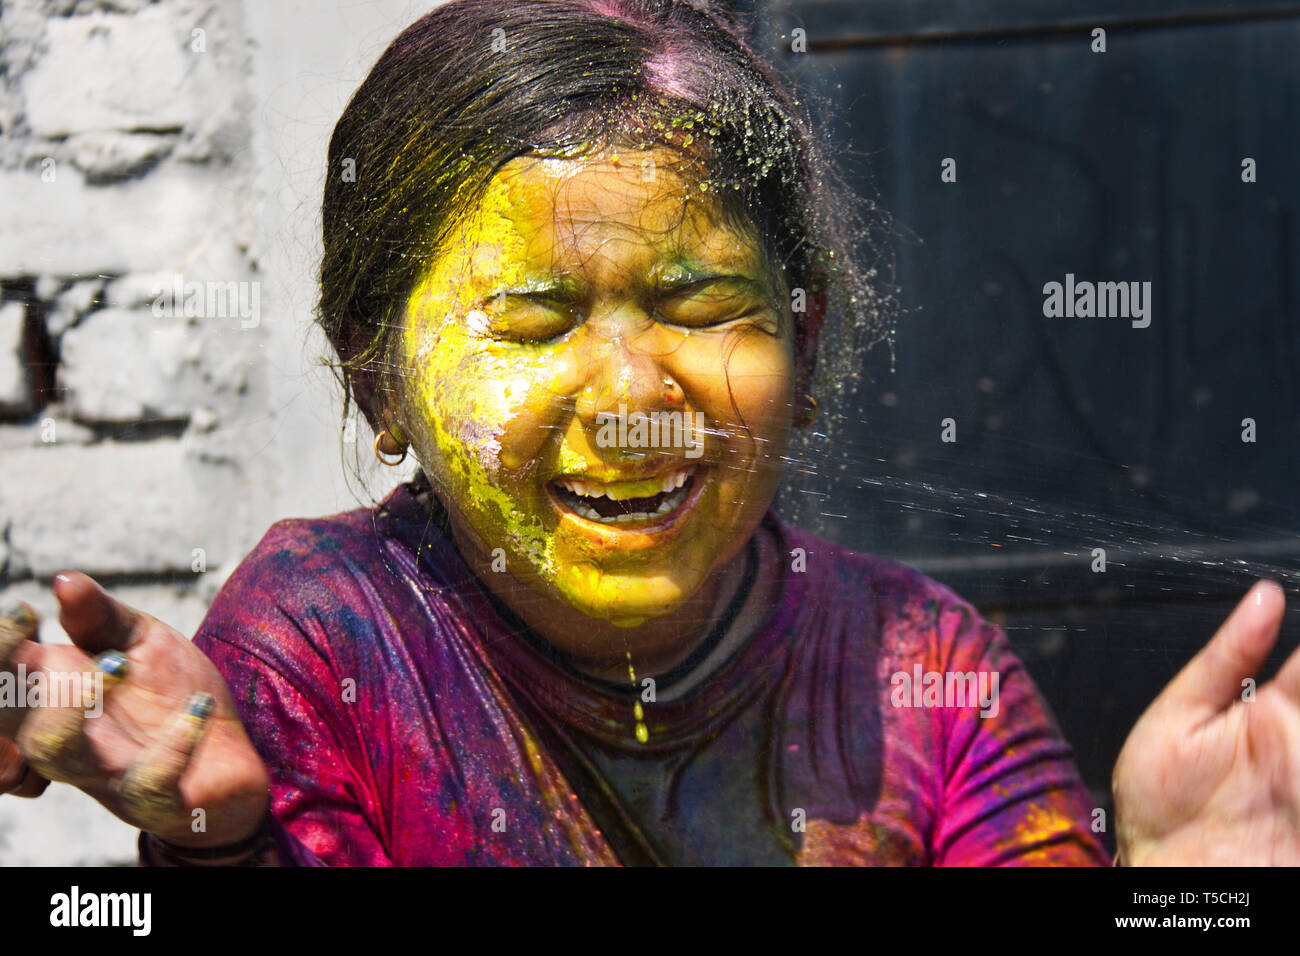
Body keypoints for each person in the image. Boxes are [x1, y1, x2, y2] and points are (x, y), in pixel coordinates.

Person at [2, 0, 1298, 866]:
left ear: (800, 346)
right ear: (380, 380)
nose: (630, 396)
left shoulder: (925, 669)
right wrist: (227, 849)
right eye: (531, 320)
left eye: (701, 306)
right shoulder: (328, 638)